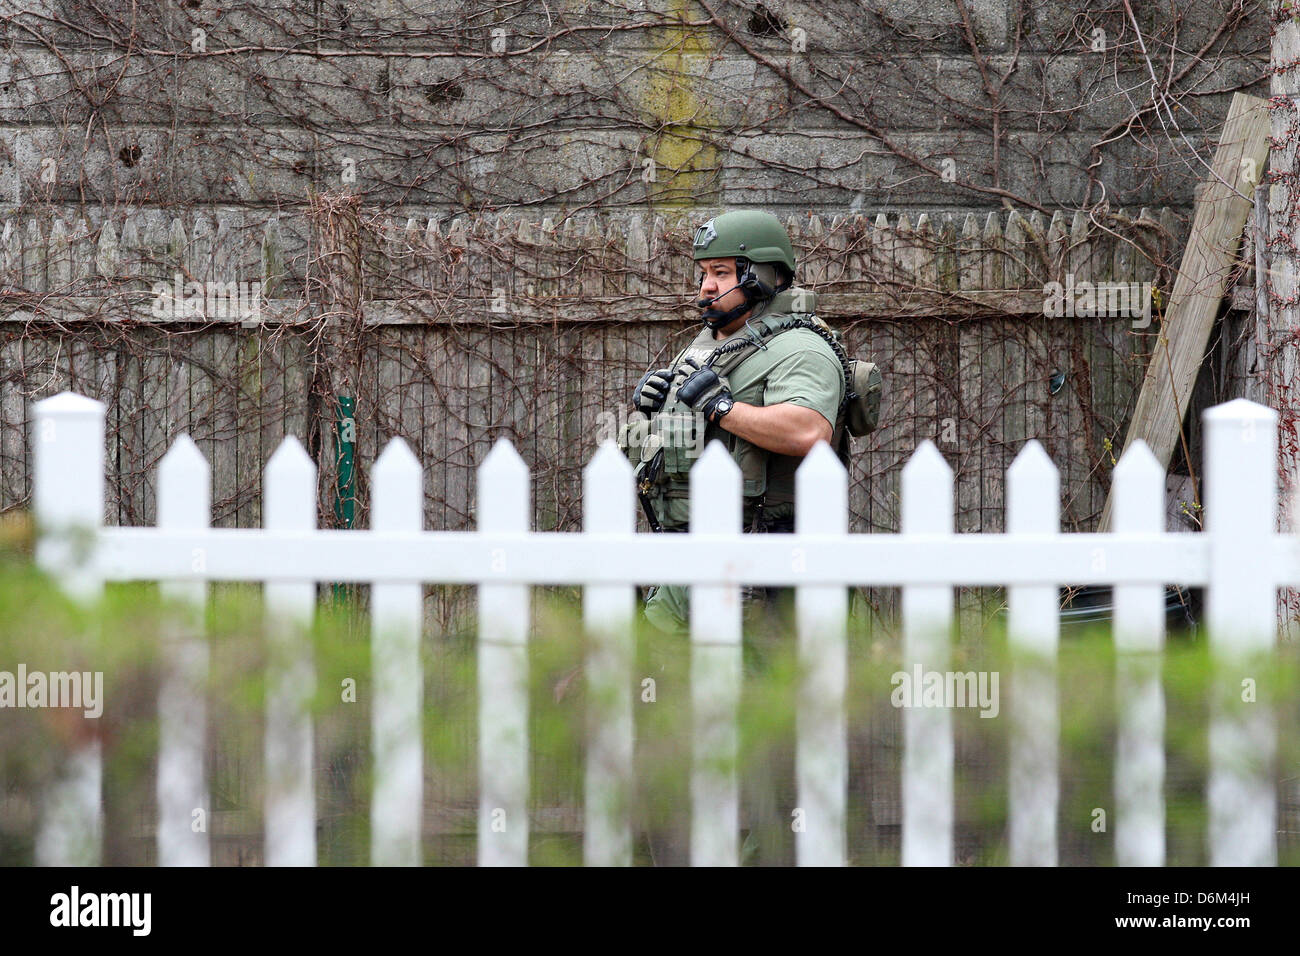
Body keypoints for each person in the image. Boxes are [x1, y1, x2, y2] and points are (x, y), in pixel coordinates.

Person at [622, 210, 849, 639]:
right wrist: (658, 406)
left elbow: (809, 430)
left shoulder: (800, 347)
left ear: (763, 275)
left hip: (759, 564)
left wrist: (722, 408)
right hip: (688, 554)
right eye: (704, 273)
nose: (706, 285)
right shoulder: (711, 345)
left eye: (721, 272)